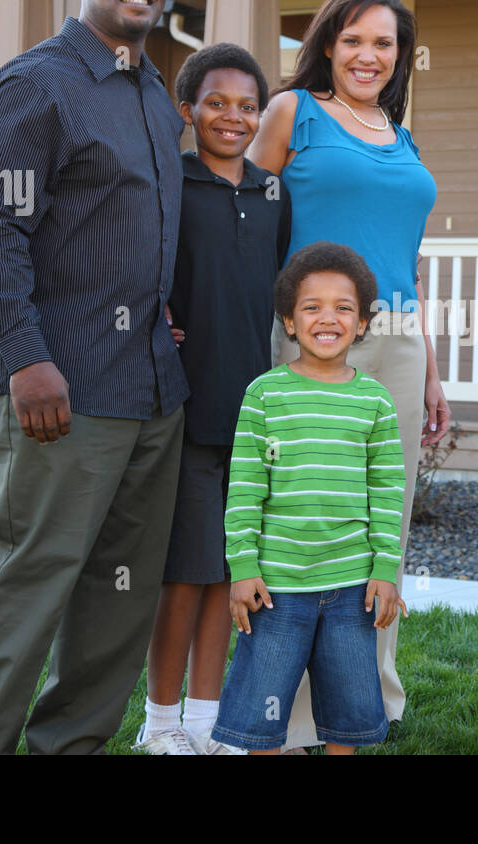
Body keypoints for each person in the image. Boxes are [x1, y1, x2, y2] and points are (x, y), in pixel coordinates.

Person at [0, 0, 189, 754]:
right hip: (61, 385)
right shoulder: (36, 84)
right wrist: (27, 357)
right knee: (30, 579)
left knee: (120, 596)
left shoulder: (154, 96)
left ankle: (71, 747)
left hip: (152, 391)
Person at [247, 0, 448, 749]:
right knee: (304, 521)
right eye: (355, 39)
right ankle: (289, 710)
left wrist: (429, 366)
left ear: (400, 57)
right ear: (327, 43)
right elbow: (247, 223)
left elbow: (409, 261)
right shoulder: (292, 114)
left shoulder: (401, 135)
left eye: (385, 43)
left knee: (378, 526)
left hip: (395, 342)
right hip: (311, 342)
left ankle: (370, 696)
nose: (369, 55)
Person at [132, 43, 291, 755]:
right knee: (183, 575)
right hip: (187, 407)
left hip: (251, 412)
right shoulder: (172, 185)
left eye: (248, 105)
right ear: (187, 110)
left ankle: (204, 723)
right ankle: (158, 723)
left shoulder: (271, 194)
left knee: (229, 574)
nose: (233, 117)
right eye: (216, 103)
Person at [210, 242, 407, 754]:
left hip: (351, 586)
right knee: (262, 710)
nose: (329, 318)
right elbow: (246, 489)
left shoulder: (375, 401)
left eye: (344, 308)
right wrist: (243, 567)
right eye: (312, 307)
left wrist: (385, 569)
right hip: (275, 587)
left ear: (362, 323)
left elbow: (388, 491)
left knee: (348, 713)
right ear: (289, 323)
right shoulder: (265, 395)